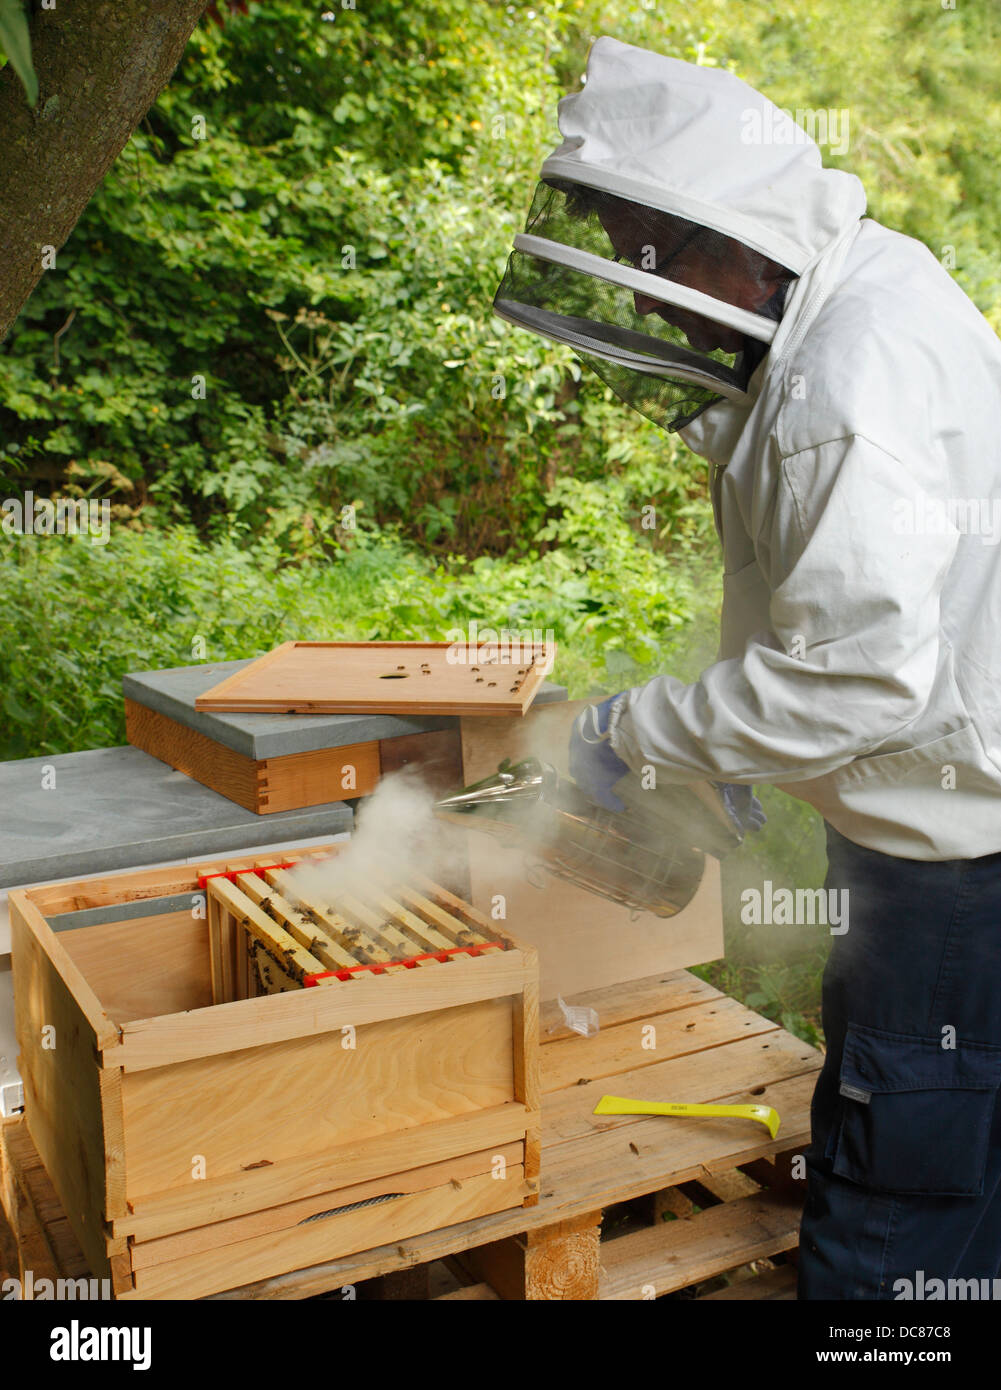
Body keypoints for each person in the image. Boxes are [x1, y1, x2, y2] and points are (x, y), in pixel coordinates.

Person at [493, 35, 1001, 1299]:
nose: (635, 282)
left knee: (895, 1193)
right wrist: (728, 756)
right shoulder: (864, 300)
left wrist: (633, 733)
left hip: (950, 869)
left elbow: (857, 679)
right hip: (946, 836)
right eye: (618, 249)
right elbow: (852, 625)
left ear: (729, 229)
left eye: (642, 246)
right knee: (944, 1144)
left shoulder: (846, 374)